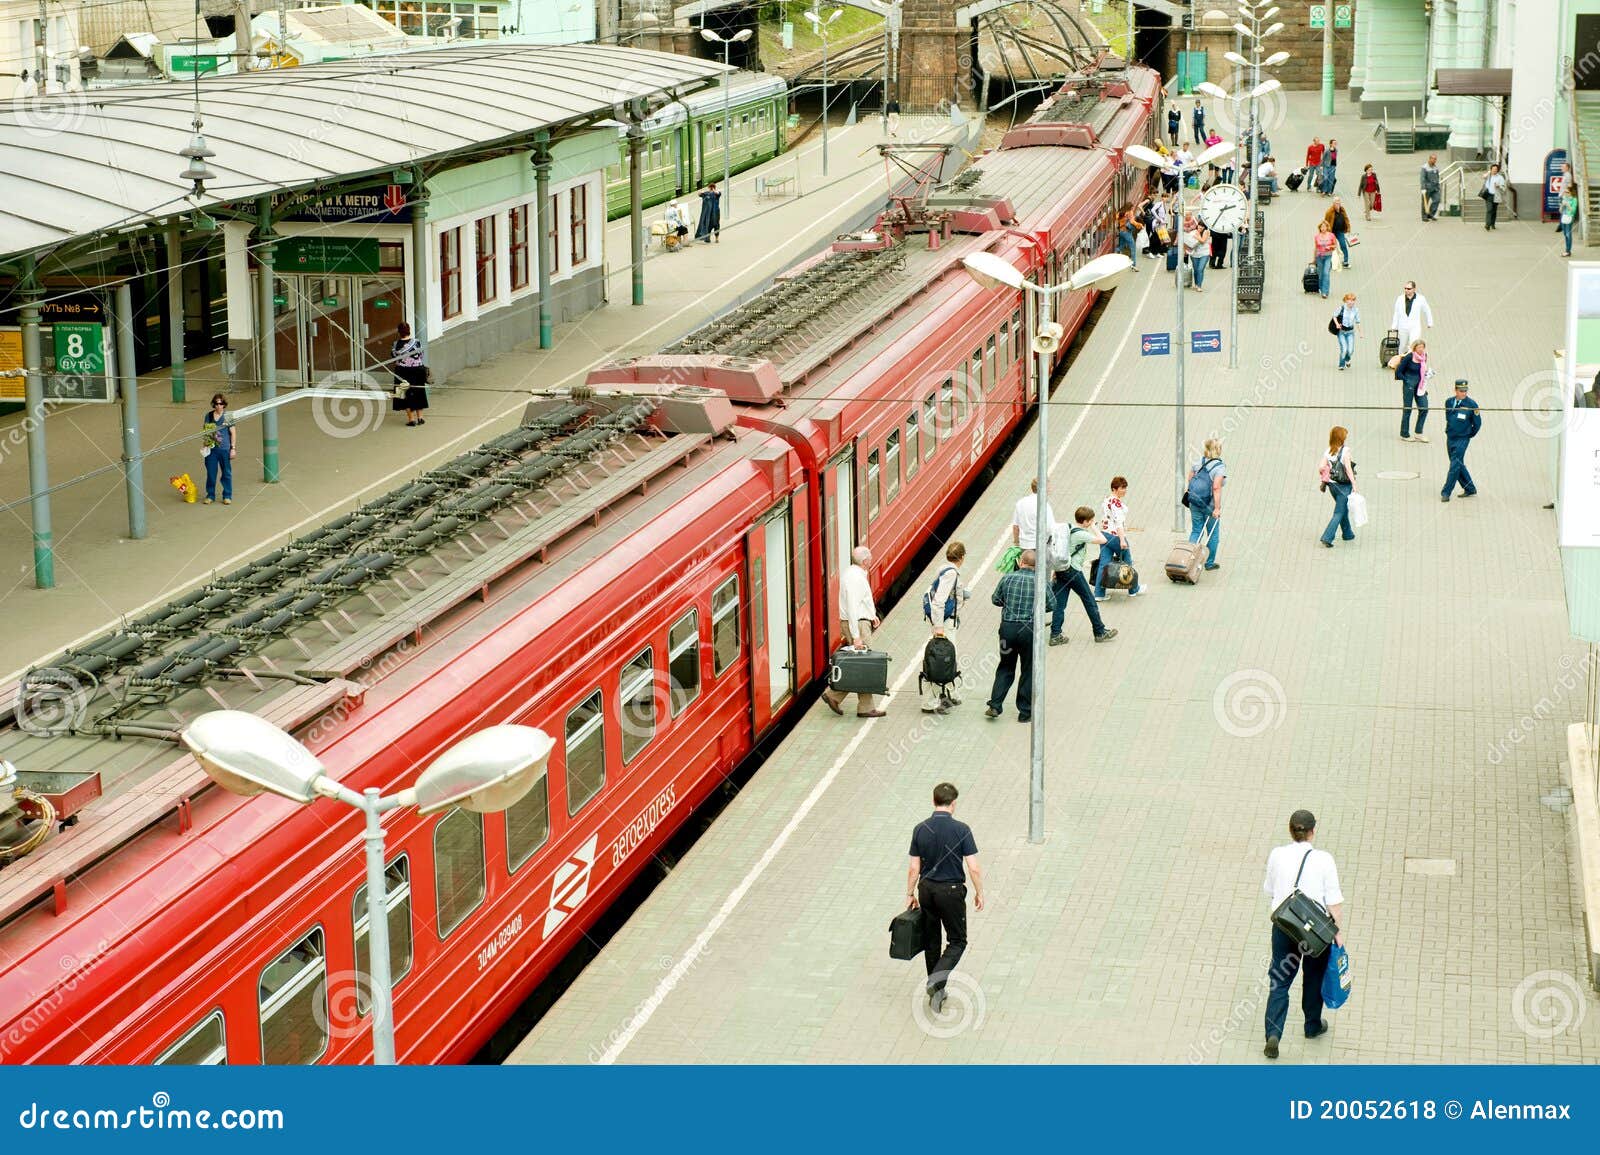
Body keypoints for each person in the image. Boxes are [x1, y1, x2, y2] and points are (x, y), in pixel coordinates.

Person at [1262, 809, 1345, 1060]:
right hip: (1315, 934)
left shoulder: (1277, 854)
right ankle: (1312, 1026)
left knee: (1280, 980)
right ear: (1313, 832)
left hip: (1285, 926)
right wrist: (1338, 933)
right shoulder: (1324, 859)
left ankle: (1274, 1034)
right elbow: (1334, 902)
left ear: (1290, 830)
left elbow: (1269, 889)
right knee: (1313, 977)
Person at [906, 782, 984, 1016]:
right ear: (954, 804)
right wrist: (980, 892)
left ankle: (937, 991)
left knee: (932, 940)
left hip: (927, 890)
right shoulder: (962, 829)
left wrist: (910, 893)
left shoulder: (920, 828)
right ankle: (936, 981)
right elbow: (974, 868)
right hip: (950, 891)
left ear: (933, 801)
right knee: (958, 941)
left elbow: (913, 868)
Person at [822, 546, 885, 717]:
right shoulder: (855, 578)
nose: (872, 560)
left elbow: (860, 602)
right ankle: (860, 705)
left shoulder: (852, 573)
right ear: (865, 561)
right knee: (865, 664)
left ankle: (836, 697)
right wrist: (857, 636)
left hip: (860, 622)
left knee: (861, 663)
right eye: (870, 557)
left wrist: (872, 615)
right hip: (857, 625)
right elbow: (852, 607)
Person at [986, 549, 1047, 722]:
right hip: (1028, 631)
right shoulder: (1039, 581)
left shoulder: (1007, 578)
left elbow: (995, 599)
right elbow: (1051, 604)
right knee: (1028, 670)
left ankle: (995, 705)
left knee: (1005, 666)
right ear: (1037, 566)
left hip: (1008, 629)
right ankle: (1025, 712)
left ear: (1021, 562)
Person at [1049, 508, 1117, 645]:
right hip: (1073, 571)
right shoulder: (1080, 533)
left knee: (1060, 603)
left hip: (1062, 570)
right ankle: (1100, 631)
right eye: (1090, 520)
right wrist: (1094, 527)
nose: (1092, 522)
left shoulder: (1069, 528)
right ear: (1085, 521)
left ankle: (1055, 634)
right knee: (1089, 600)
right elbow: (1103, 540)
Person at [921, 542, 968, 714]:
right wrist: (939, 628)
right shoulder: (950, 574)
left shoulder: (943, 570)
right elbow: (939, 602)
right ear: (962, 557)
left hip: (945, 621)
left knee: (945, 657)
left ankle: (948, 693)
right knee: (940, 658)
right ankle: (931, 701)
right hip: (945, 623)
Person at [1093, 476, 1143, 599]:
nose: (1125, 490)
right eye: (1122, 488)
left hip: (1104, 534)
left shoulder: (1107, 499)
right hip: (1115, 535)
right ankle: (1133, 589)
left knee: (1104, 564)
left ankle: (1099, 593)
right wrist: (1122, 540)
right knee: (1127, 561)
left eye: (1125, 487)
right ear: (1114, 489)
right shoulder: (1116, 503)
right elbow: (1118, 523)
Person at [1185, 438, 1225, 571]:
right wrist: (1217, 508)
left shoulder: (1198, 463)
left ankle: (1188, 560)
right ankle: (1209, 563)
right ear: (1218, 450)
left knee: (1196, 530)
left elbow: (1190, 479)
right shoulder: (1219, 467)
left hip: (1195, 502)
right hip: (1210, 505)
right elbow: (1216, 488)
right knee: (1213, 534)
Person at [1440, 378, 1482, 502]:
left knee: (1454, 465)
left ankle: (1446, 492)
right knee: (1458, 464)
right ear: (1455, 390)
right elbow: (1448, 417)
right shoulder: (1448, 402)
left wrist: (1468, 434)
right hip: (1450, 437)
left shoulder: (1472, 405)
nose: (1463, 393)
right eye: (1461, 391)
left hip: (1462, 439)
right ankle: (1470, 488)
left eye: (1465, 390)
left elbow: (1478, 424)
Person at [1319, 426, 1358, 548]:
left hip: (1332, 485)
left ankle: (1348, 533)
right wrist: (1354, 484)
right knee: (1339, 512)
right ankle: (1327, 537)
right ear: (1341, 438)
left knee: (1343, 509)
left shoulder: (1328, 451)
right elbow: (1348, 469)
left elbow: (1321, 467)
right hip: (1343, 486)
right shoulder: (1345, 451)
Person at [1391, 339, 1430, 442]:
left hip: (1420, 385)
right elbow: (1398, 372)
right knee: (1408, 409)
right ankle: (1405, 434)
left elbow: (1423, 369)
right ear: (1414, 348)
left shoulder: (1424, 357)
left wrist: (1427, 375)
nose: (1421, 349)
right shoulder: (1409, 357)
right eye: (1419, 347)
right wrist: (1406, 380)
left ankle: (1418, 433)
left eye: (1422, 347)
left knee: (1424, 408)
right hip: (1409, 386)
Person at [201, 393, 236, 505]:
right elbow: (206, 431)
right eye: (216, 403)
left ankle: (227, 495)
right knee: (211, 473)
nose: (218, 406)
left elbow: (233, 433)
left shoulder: (228, 416)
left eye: (220, 403)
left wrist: (233, 448)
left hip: (225, 449)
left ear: (224, 404)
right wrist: (205, 445)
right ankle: (210, 495)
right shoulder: (209, 416)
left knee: (226, 472)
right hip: (212, 450)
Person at [391, 322, 428, 427]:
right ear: (409, 330)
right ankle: (420, 418)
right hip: (417, 370)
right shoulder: (417, 342)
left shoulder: (395, 345)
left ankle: (411, 420)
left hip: (402, 372)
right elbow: (421, 355)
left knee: (405, 395)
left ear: (399, 332)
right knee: (419, 392)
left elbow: (394, 359)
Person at [1011, 477, 1057, 553]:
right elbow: (1050, 527)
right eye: (1048, 487)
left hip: (1024, 545)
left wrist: (1016, 543)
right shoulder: (1044, 504)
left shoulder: (1020, 503)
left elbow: (1016, 527)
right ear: (1043, 488)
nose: (1050, 489)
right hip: (1040, 546)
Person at [1389, 281, 1433, 350]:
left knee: (1413, 345)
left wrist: (1429, 322)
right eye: (1405, 288)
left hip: (1414, 327)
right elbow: (1396, 313)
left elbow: (1427, 310)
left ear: (1414, 289)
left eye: (1409, 289)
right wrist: (1394, 326)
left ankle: (1411, 360)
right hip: (1402, 327)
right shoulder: (1400, 298)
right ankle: (1401, 360)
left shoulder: (1421, 298)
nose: (1406, 290)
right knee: (1402, 346)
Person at [1332, 292, 1360, 370]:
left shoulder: (1356, 310)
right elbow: (1334, 315)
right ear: (1346, 300)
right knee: (1344, 349)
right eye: (1349, 300)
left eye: (1353, 300)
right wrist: (1337, 324)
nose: (1351, 302)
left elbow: (1358, 321)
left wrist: (1361, 332)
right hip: (1341, 332)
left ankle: (1347, 359)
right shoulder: (1341, 308)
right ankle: (1341, 364)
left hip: (1350, 332)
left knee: (1350, 350)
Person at [1323, 198, 1352, 269]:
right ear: (1333, 204)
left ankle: (1345, 262)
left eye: (1339, 203)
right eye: (1336, 203)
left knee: (1343, 245)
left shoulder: (1342, 210)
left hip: (1340, 231)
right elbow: (1325, 222)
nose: (1338, 204)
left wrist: (1348, 227)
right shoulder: (1329, 212)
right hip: (1332, 232)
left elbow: (1346, 218)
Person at [1479, 163, 1509, 230]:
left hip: (1496, 196)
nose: (1494, 170)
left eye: (1496, 169)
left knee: (1494, 211)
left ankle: (1493, 224)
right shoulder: (1488, 176)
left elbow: (1504, 188)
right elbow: (1483, 177)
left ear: (1498, 170)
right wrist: (1489, 172)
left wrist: (1499, 186)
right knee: (1489, 210)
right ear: (1491, 169)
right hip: (1488, 195)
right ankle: (1487, 224)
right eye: (1493, 169)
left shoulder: (1500, 177)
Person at [1312, 221, 1336, 299]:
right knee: (1321, 275)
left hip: (1328, 257)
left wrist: (1330, 247)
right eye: (1321, 227)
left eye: (1324, 227)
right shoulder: (1317, 236)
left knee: (1326, 273)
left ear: (1327, 227)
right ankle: (1321, 289)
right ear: (1320, 228)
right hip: (1319, 257)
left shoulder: (1331, 235)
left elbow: (1335, 245)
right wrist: (1314, 259)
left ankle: (1325, 292)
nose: (1323, 228)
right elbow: (1315, 248)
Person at [1183, 223, 1209, 291]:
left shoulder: (1206, 232)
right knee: (1196, 269)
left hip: (1204, 253)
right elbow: (1186, 241)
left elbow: (1203, 241)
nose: (1200, 227)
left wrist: (1197, 236)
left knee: (1200, 269)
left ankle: (1199, 286)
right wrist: (1185, 250)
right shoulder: (1193, 232)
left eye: (1202, 226)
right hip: (1194, 253)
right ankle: (1196, 284)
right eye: (1199, 226)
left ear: (1204, 227)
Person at [1420, 154, 1442, 221]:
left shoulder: (1436, 168)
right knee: (1425, 202)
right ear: (1429, 159)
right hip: (1427, 188)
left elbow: (1437, 177)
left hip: (1435, 188)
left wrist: (1438, 186)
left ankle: (1430, 214)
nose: (1434, 160)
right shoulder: (1424, 167)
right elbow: (1422, 178)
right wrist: (1423, 188)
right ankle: (1424, 216)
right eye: (1433, 159)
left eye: (1435, 159)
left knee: (1437, 200)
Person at [1561, 185, 1579, 257]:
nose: (1565, 193)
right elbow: (1560, 211)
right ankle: (1567, 250)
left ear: (1571, 192)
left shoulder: (1574, 199)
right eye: (1565, 192)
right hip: (1564, 217)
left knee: (1568, 235)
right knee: (1565, 234)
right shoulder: (1565, 198)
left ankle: (1568, 251)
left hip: (1569, 218)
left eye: (1567, 192)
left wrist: (1568, 205)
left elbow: (1573, 211)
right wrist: (1562, 205)